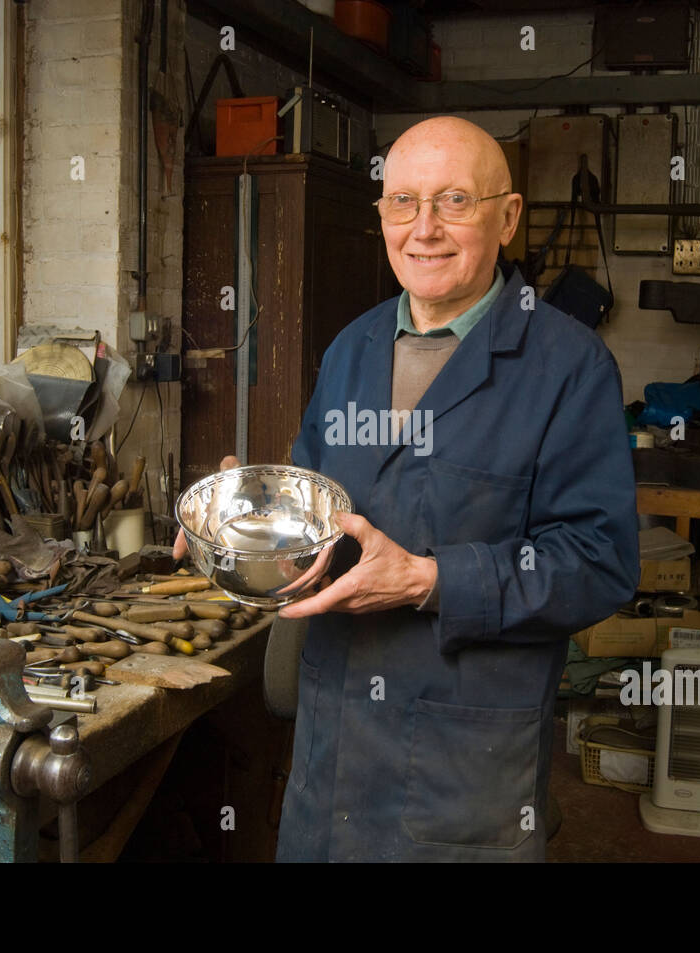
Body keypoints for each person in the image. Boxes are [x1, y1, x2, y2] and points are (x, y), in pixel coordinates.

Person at [181, 116, 639, 861]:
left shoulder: (569, 367)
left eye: (454, 200)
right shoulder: (350, 349)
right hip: (330, 761)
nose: (423, 228)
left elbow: (599, 562)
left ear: (508, 217)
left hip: (461, 768)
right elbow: (311, 521)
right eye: (403, 202)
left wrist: (430, 579)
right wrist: (236, 525)